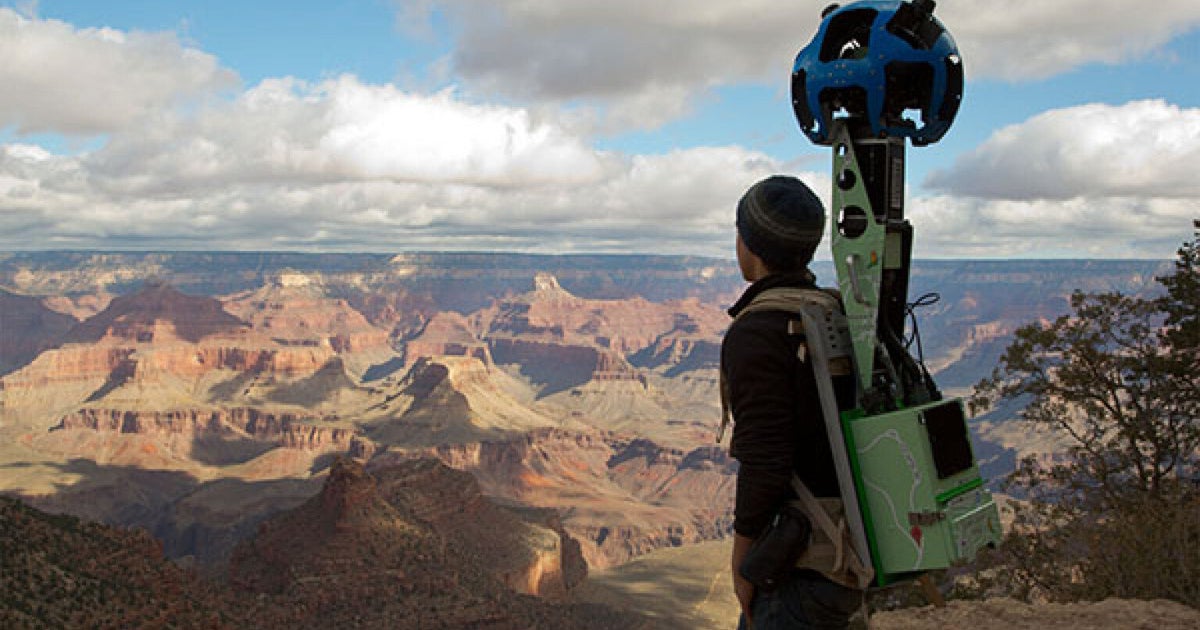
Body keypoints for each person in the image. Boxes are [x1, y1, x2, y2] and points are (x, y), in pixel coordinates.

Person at [722, 175, 866, 629]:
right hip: (850, 549)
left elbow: (765, 459)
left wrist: (743, 565)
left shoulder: (758, 331)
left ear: (748, 242)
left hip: (801, 566)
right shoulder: (833, 311)